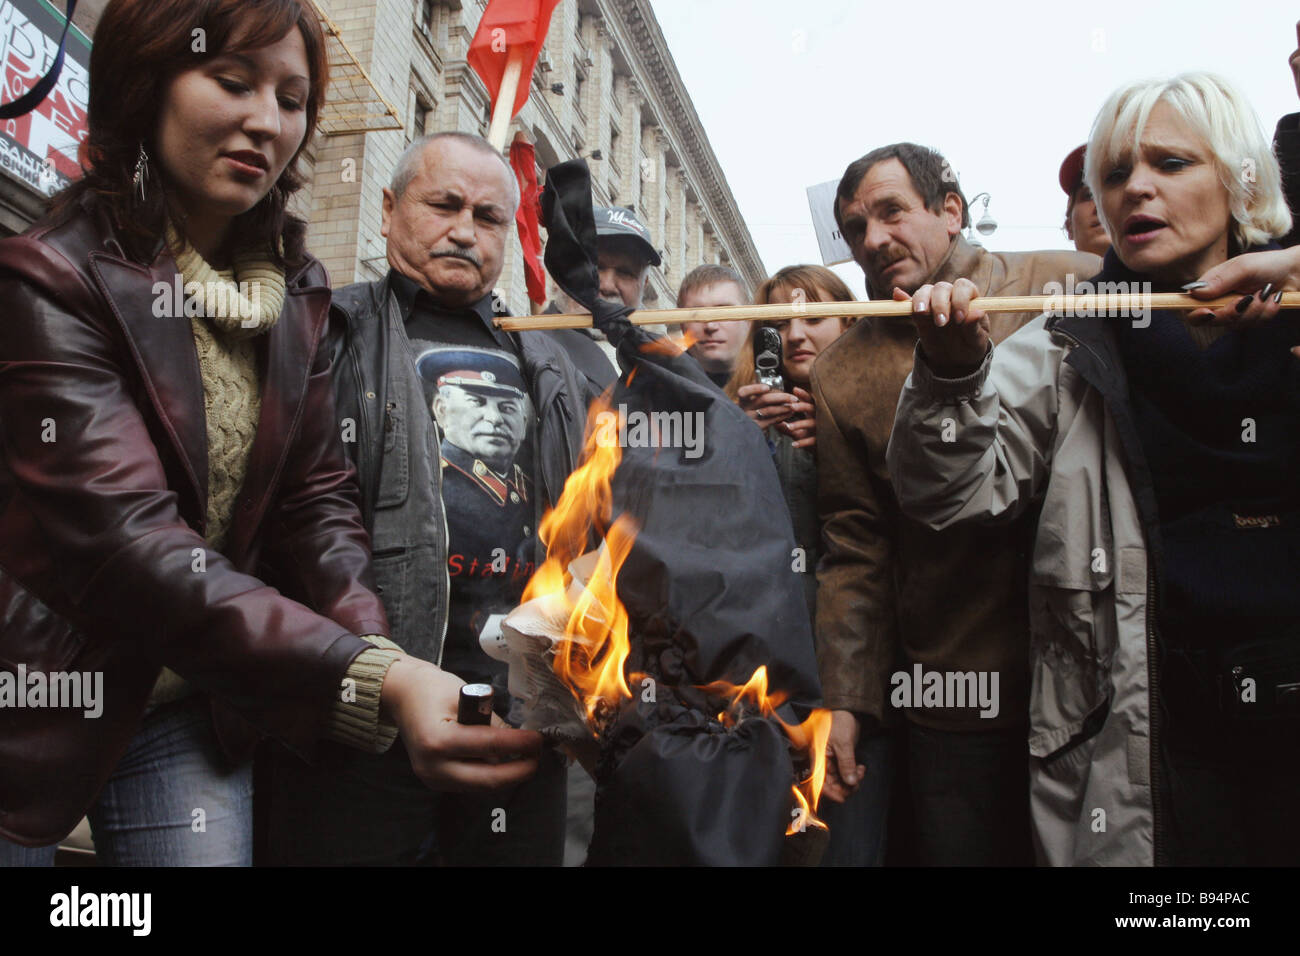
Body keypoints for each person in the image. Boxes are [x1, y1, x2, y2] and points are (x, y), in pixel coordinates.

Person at [0, 0, 539, 866]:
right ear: (149, 85)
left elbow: (315, 503)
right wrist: (383, 678)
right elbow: (129, 544)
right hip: (35, 698)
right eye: (232, 80)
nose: (267, 120)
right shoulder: (49, 274)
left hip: (195, 700)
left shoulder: (296, 289)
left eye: (292, 98)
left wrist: (376, 659)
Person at [887, 72, 1299, 866]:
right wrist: (948, 372)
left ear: (1241, 181)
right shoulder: (1065, 342)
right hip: (1148, 757)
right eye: (1116, 174)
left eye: (1171, 164)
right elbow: (947, 493)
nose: (1136, 187)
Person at [265, 131, 598, 866]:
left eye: (488, 217)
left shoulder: (554, 361)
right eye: (442, 205)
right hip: (362, 718)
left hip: (520, 718)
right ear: (386, 210)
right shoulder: (324, 328)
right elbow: (289, 518)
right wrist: (363, 678)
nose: (463, 231)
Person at [813, 142, 1100, 865]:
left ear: (950, 211)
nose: (873, 239)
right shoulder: (839, 372)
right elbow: (854, 545)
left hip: (1095, 667)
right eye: (854, 228)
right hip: (956, 689)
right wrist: (846, 698)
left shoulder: (1071, 285)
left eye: (890, 212)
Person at [543, 205, 663, 390]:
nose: (606, 285)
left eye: (625, 273)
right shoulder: (527, 346)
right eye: (595, 267)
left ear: (644, 284)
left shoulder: (660, 362)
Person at [679, 264, 751, 387]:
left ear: (748, 321)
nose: (710, 326)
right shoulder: (658, 386)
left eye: (723, 312)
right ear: (682, 325)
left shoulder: (781, 379)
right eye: (697, 315)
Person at [1059, 145, 1112, 257]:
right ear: (1069, 227)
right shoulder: (1068, 274)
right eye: (1089, 196)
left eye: (1112, 192)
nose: (1100, 206)